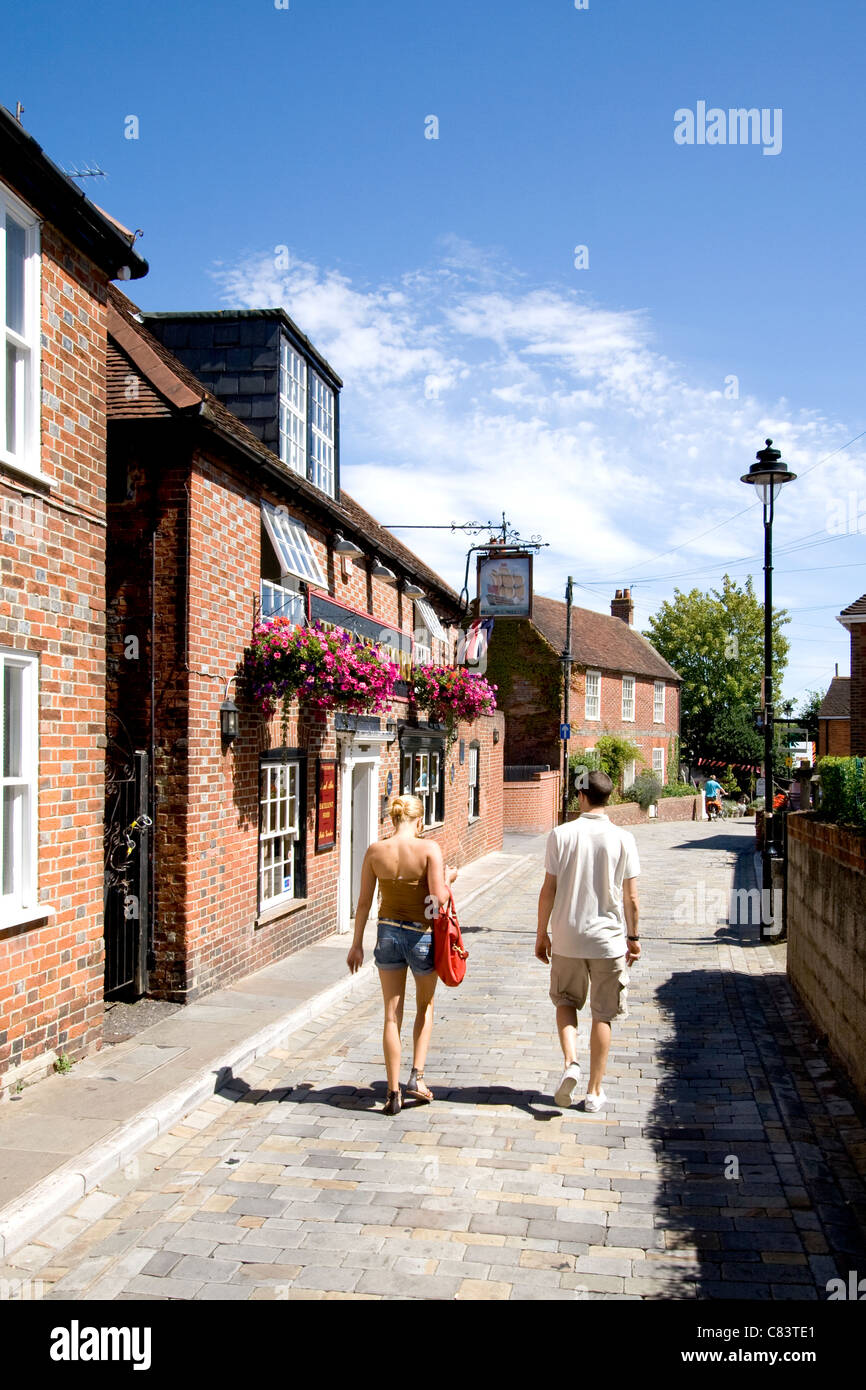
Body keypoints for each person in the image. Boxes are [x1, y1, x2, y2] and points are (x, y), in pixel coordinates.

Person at [535, 770, 641, 1113]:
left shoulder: (560, 835)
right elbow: (632, 899)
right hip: (607, 942)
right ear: (609, 797)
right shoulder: (624, 838)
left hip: (567, 936)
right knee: (603, 1014)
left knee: (565, 1000)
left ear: (581, 795)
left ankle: (571, 1063)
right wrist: (634, 939)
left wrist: (541, 933)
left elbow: (548, 890)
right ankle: (595, 1092)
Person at [347, 794, 458, 1115]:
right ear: (420, 821)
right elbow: (438, 901)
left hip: (387, 932)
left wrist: (356, 944)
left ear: (393, 820)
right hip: (420, 936)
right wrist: (449, 880)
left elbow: (364, 903)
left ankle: (392, 1092)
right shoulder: (429, 849)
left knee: (391, 1015)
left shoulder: (375, 851)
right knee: (425, 1006)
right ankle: (417, 1078)